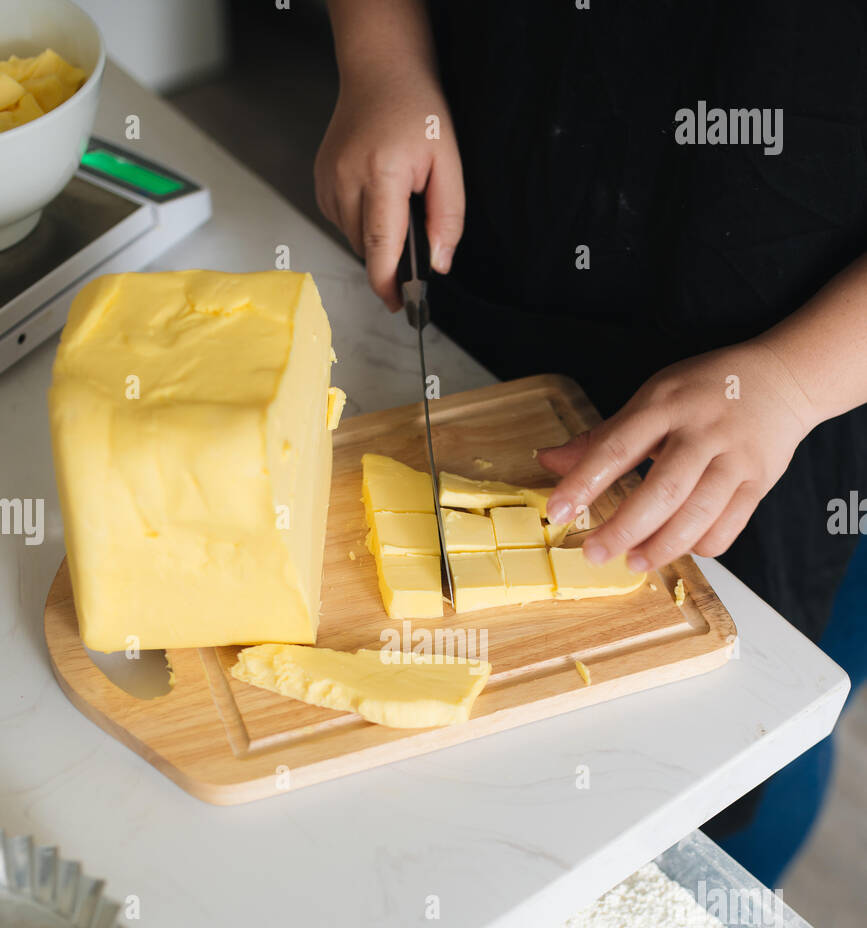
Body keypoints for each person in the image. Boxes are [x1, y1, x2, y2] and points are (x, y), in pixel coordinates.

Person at [315, 0, 867, 883]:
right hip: (505, 233)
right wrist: (381, 55)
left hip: (808, 377)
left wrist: (798, 380)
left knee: (730, 770)